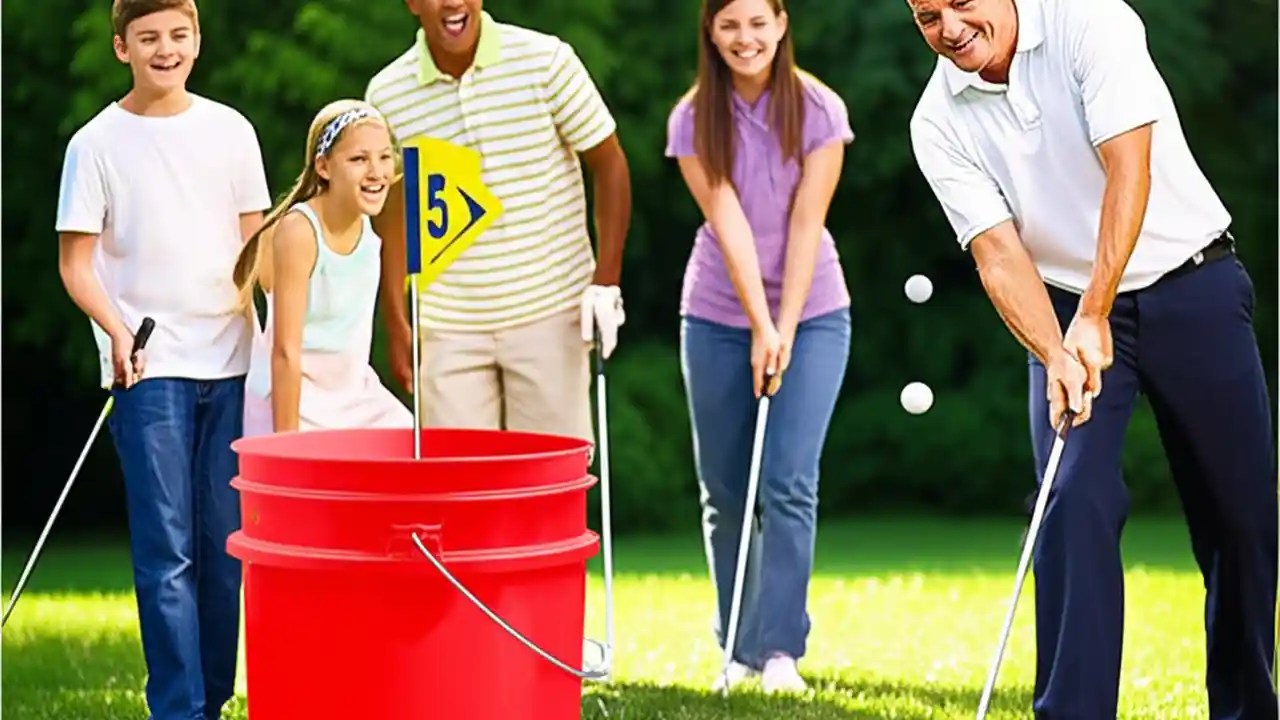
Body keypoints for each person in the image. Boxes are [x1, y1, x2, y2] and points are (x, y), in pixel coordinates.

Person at [907, 0, 1278, 716]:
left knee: (1240, 516)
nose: (949, 28)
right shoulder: (937, 121)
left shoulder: (1091, 22)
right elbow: (998, 254)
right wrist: (1054, 350)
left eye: (961, 3)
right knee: (1072, 497)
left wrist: (1096, 311)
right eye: (927, 15)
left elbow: (1128, 169)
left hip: (1191, 284)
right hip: (1065, 314)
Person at [53, 0, 271, 718]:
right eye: (148, 38)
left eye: (178, 35)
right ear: (122, 47)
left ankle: (212, 698)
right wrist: (115, 332)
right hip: (149, 368)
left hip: (231, 362)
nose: (165, 49)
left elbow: (257, 252)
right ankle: (178, 709)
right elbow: (76, 264)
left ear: (197, 40)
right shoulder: (95, 144)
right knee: (167, 553)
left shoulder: (231, 131)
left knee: (222, 548)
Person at [665, 0, 854, 695]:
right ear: (710, 33)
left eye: (756, 22)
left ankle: (779, 652)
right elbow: (729, 221)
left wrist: (784, 327)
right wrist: (758, 323)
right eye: (728, 25)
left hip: (816, 312)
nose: (744, 38)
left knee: (788, 482)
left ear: (781, 24)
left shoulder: (820, 110)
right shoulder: (692, 119)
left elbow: (807, 223)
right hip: (715, 314)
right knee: (724, 490)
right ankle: (739, 650)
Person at [362, 0, 631, 446]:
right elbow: (393, 212)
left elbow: (609, 164)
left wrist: (606, 281)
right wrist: (395, 318)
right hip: (446, 324)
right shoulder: (387, 95)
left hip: (551, 309)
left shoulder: (546, 61)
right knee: (456, 479)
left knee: (549, 477)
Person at [233, 100, 412, 436]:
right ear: (324, 167)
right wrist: (286, 445)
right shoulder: (300, 231)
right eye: (359, 159)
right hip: (296, 399)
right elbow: (285, 351)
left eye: (385, 157)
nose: (377, 172)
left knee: (410, 442)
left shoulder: (371, 224)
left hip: (352, 397)